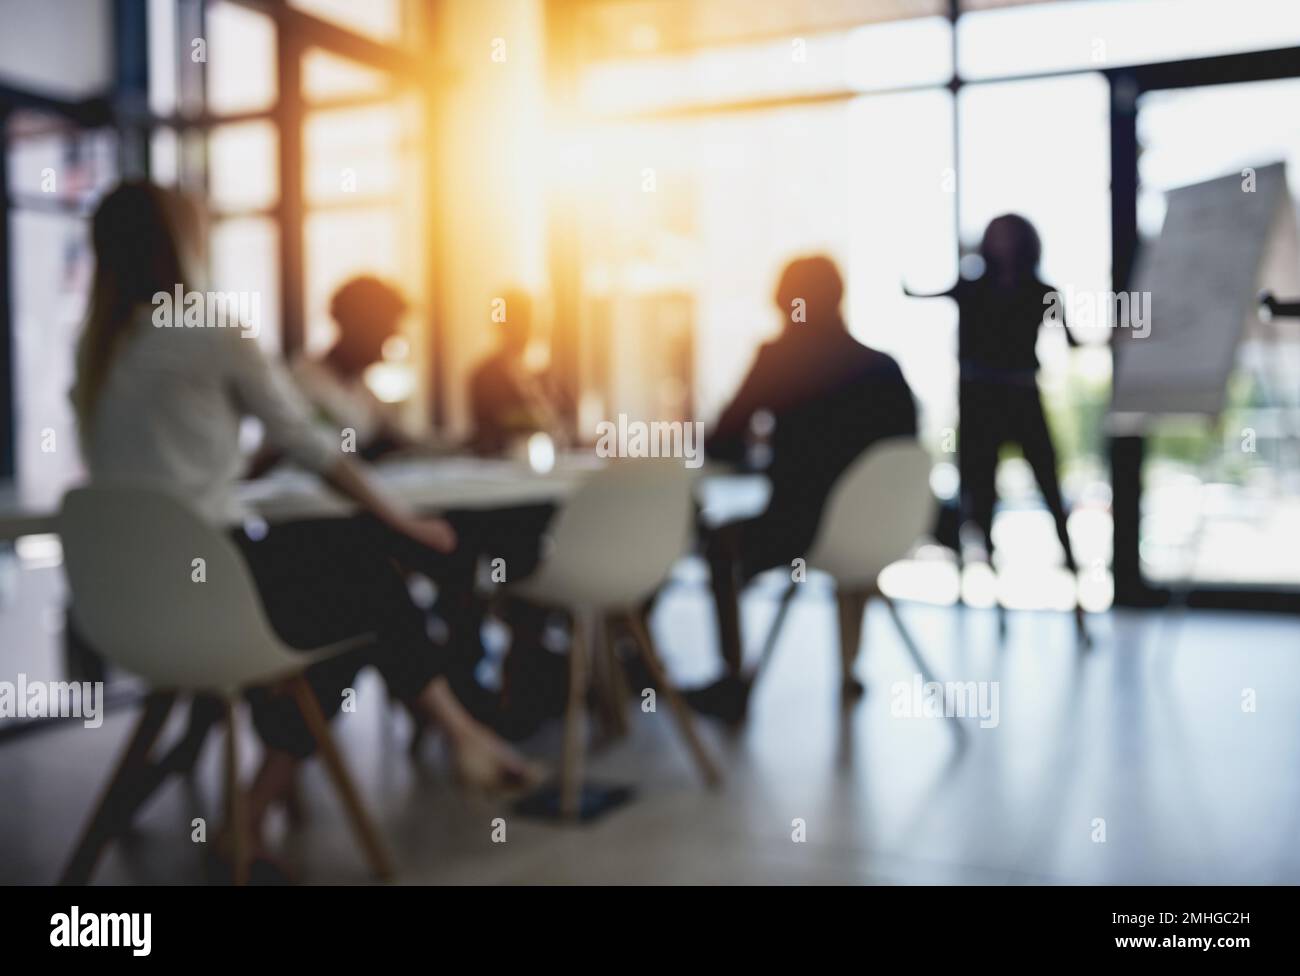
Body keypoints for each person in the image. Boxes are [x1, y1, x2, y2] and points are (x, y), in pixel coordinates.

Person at [71, 181, 539, 873]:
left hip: (127, 609)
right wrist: (404, 522)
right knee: (355, 589)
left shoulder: (95, 354)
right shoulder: (208, 328)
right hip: (212, 595)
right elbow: (311, 445)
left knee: (341, 585)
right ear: (180, 244)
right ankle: (443, 735)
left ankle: (278, 803)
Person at [694, 255, 918, 720]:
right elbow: (902, 459)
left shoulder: (780, 359)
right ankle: (849, 670)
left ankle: (732, 678)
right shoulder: (884, 367)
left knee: (719, 542)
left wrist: (761, 446)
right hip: (879, 535)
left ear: (783, 302)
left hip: (800, 529)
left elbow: (721, 442)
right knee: (841, 543)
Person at [905, 213, 1087, 639]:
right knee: (979, 503)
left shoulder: (1043, 293)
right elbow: (915, 290)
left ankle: (1076, 601)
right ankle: (995, 600)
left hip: (1023, 400)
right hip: (980, 406)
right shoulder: (970, 286)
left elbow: (1077, 341)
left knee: (1052, 495)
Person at [468, 288, 567, 455]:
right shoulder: (486, 376)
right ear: (502, 325)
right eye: (520, 320)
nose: (527, 328)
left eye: (530, 319)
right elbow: (495, 423)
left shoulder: (543, 375)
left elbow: (563, 414)